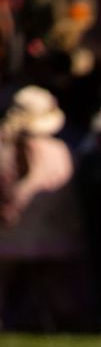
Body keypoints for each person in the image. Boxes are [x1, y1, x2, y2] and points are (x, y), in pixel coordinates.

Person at [0, 84, 84, 329]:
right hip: (54, 234)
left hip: (11, 234)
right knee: (50, 281)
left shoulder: (5, 148)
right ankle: (53, 318)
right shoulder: (60, 151)